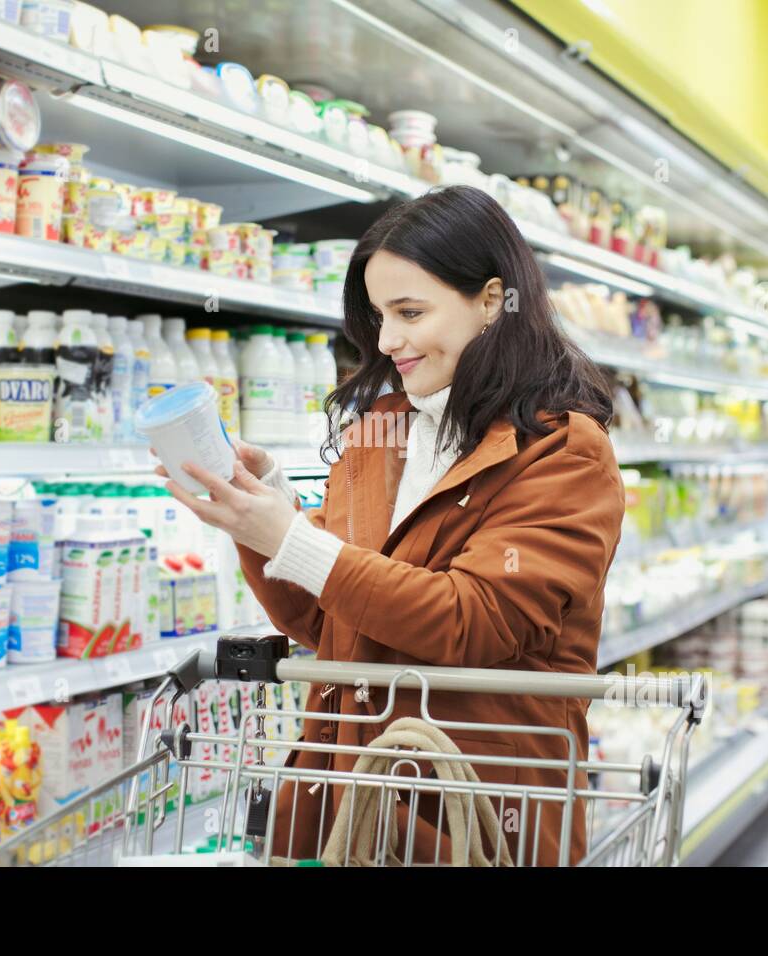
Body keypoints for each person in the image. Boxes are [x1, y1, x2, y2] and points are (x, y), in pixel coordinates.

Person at [156, 185, 624, 865]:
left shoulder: (563, 452)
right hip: (345, 794)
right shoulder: (381, 431)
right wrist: (264, 511)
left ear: (492, 301)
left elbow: (475, 620)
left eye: (411, 312)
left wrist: (291, 538)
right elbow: (326, 623)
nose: (387, 341)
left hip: (472, 812)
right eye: (378, 315)